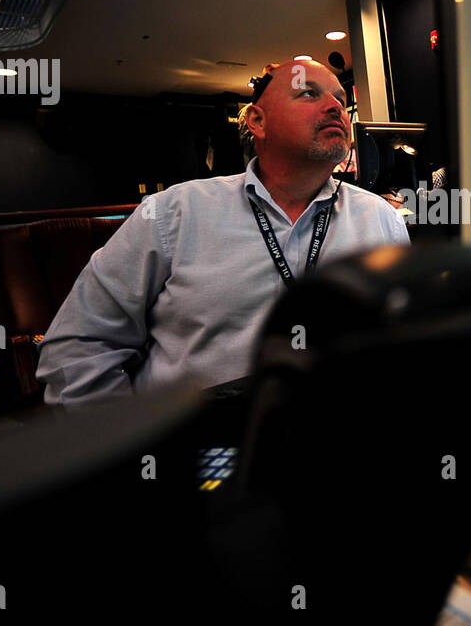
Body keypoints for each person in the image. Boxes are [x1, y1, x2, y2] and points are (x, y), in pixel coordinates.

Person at [36, 58, 410, 405]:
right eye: (308, 93)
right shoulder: (173, 214)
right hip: (200, 452)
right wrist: (129, 446)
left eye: (340, 99)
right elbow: (77, 347)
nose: (334, 107)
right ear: (257, 122)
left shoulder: (381, 219)